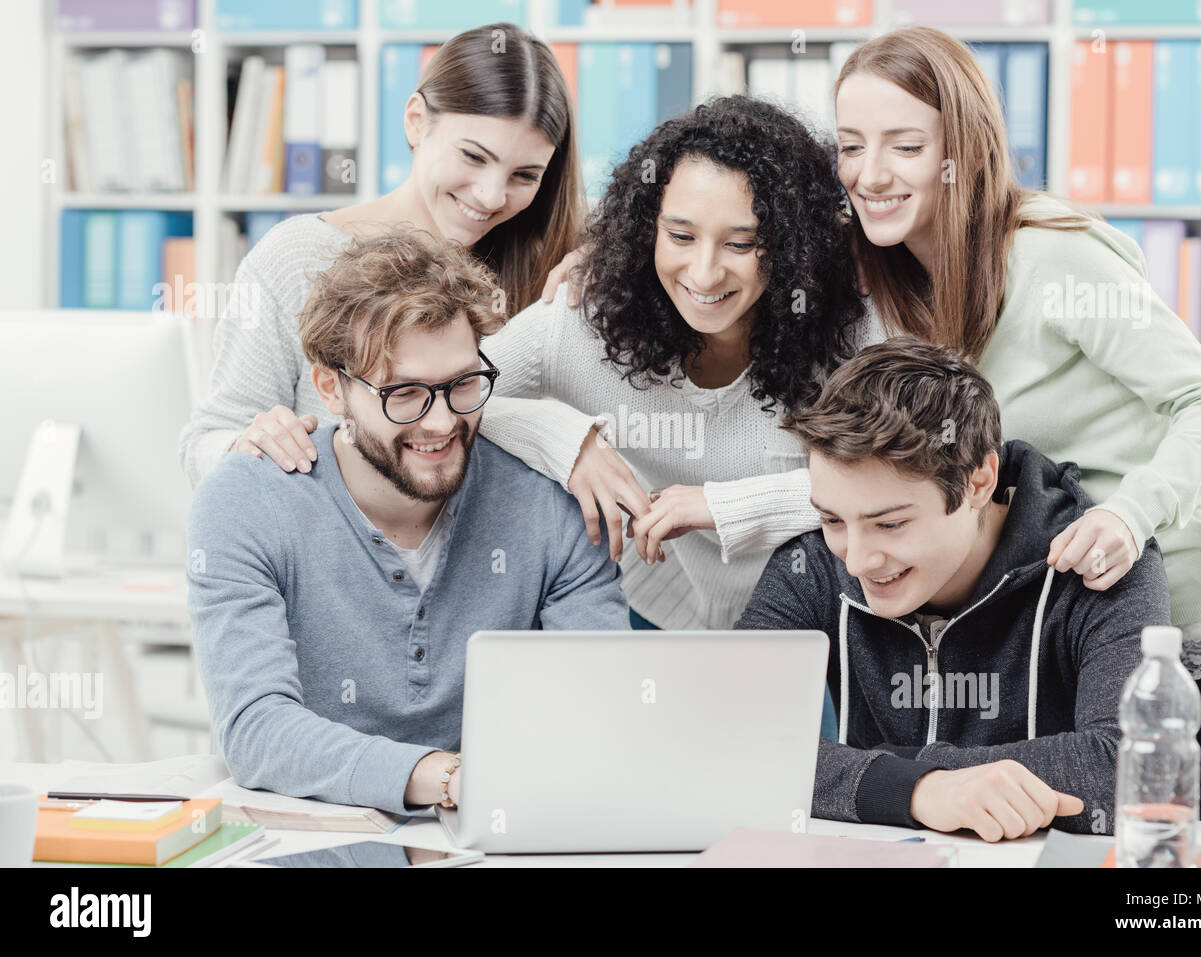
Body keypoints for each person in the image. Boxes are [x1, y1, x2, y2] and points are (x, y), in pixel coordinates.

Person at [829, 26, 1201, 825]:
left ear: (959, 149)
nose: (869, 175)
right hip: (1094, 637)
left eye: (903, 146)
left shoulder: (1053, 261)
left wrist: (1129, 512)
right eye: (849, 147)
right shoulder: (903, 287)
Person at [186, 230, 627, 815]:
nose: (442, 422)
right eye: (405, 393)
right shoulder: (246, 501)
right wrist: (445, 778)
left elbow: (600, 711)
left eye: (462, 384)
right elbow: (257, 730)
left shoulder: (552, 503)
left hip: (496, 838)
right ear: (330, 389)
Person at [474, 97, 871, 646]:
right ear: (647, 229)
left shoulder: (851, 333)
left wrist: (716, 505)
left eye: (742, 243)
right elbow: (446, 395)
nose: (705, 273)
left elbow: (893, 481)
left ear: (793, 243)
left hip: (810, 621)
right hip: (649, 605)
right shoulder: (583, 318)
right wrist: (571, 444)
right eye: (680, 236)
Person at [737, 338, 1170, 841]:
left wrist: (888, 775)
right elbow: (734, 741)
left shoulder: (1100, 565)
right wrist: (922, 791)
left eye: (891, 524)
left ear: (978, 481)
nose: (856, 560)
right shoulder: (808, 565)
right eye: (833, 519)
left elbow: (1134, 772)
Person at [179, 22, 584, 487]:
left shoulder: (552, 271)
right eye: (473, 157)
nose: (492, 196)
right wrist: (244, 445)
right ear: (416, 121)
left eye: (524, 176)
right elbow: (205, 442)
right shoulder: (296, 259)